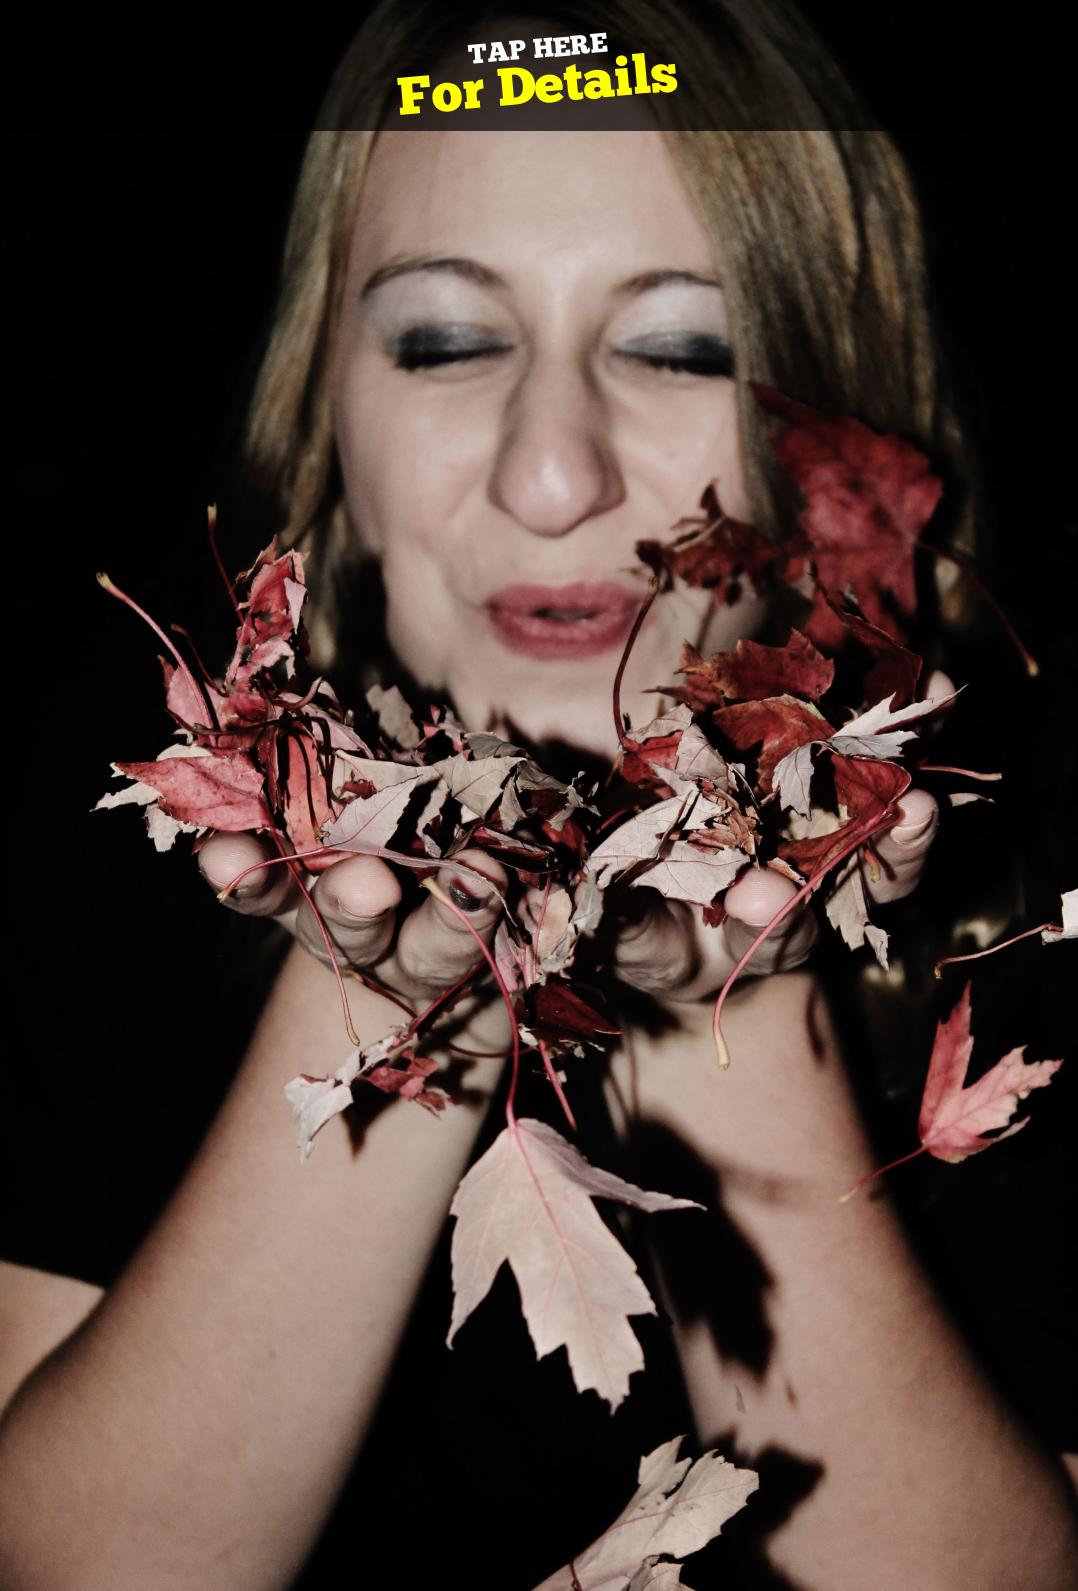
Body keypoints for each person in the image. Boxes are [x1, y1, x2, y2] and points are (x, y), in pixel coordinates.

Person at [1, 3, 1075, 1587]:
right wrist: (388, 995)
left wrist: (729, 999)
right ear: (329, 417)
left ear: (840, 454)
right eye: (445, 338)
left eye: (679, 345)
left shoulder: (1027, 912)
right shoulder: (100, 875)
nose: (550, 472)